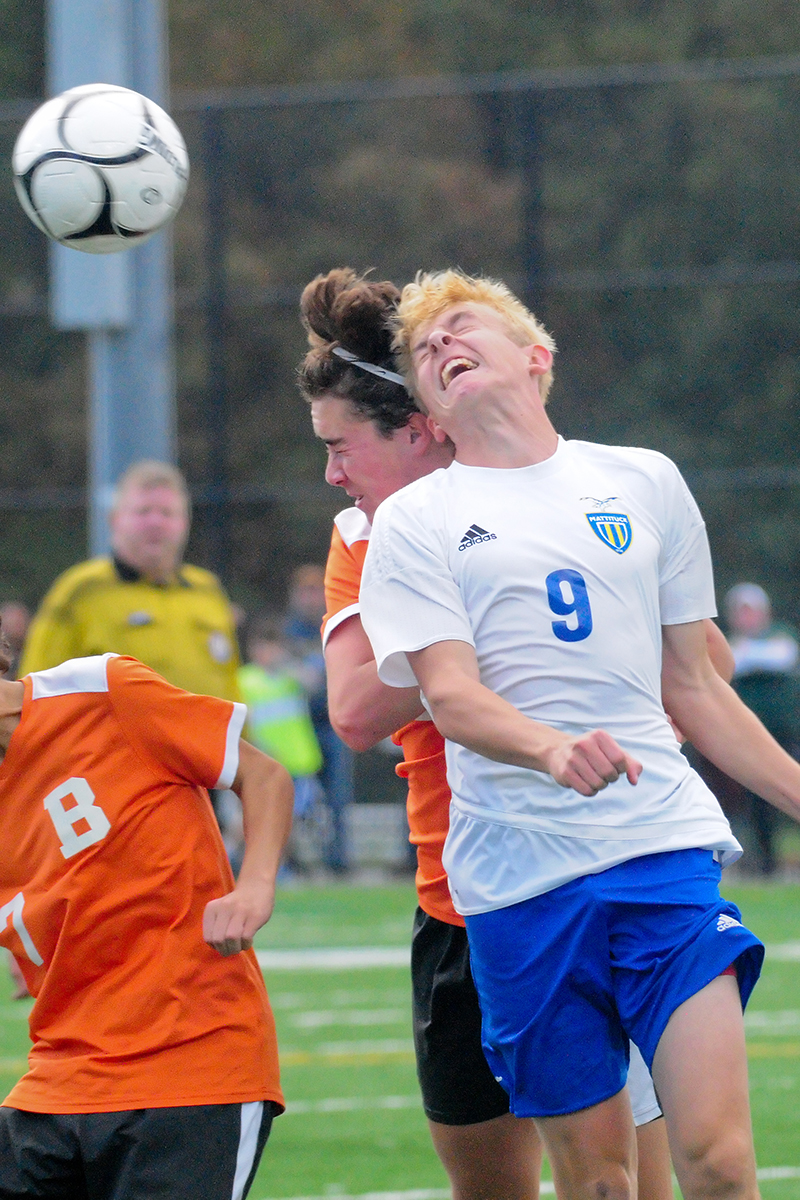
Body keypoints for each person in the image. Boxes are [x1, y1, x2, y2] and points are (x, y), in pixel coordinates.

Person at [358, 268, 800, 1200]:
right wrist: (551, 748)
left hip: (661, 849)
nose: (439, 346)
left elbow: (698, 688)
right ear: (429, 416)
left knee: (719, 1162)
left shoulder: (643, 480)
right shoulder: (413, 521)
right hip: (519, 881)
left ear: (537, 357)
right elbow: (450, 695)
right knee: (601, 1185)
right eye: (424, 349)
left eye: (460, 326)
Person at [298, 268, 681, 1200]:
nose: (331, 471)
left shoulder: (567, 495)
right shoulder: (367, 537)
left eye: (342, 445)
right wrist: (460, 655)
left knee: (633, 1184)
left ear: (419, 430)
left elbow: (678, 671)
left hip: (596, 874)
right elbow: (353, 709)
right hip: (457, 900)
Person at [0, 634, 293, 1199]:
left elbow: (264, 777)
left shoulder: (101, 691)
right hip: (57, 1079)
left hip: (192, 1066)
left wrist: (253, 890)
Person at [20, 460, 240, 702]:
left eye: (167, 513)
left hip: (207, 740)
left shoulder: (207, 589)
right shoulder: (82, 590)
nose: (155, 522)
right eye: (143, 511)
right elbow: (38, 690)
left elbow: (231, 685)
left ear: (185, 523)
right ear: (115, 520)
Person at [238, 613, 324, 875]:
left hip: (298, 761)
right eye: (264, 647)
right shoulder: (244, 679)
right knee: (260, 819)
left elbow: (313, 682)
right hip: (263, 761)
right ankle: (252, 866)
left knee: (291, 819)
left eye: (274, 647)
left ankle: (281, 866)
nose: (269, 653)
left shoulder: (290, 676)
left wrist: (286, 663)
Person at [724, 582, 800, 874]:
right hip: (744, 740)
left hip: (785, 733)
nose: (747, 619)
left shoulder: (781, 636)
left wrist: (748, 656)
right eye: (741, 613)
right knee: (758, 803)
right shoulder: (730, 644)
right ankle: (766, 863)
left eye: (751, 612)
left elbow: (782, 657)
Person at [284, 563, 353, 873]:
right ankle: (294, 859)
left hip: (332, 723)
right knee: (295, 799)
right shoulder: (285, 633)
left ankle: (338, 860)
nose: (312, 599)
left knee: (337, 797)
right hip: (296, 729)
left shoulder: (336, 625)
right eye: (306, 591)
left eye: (317, 591)